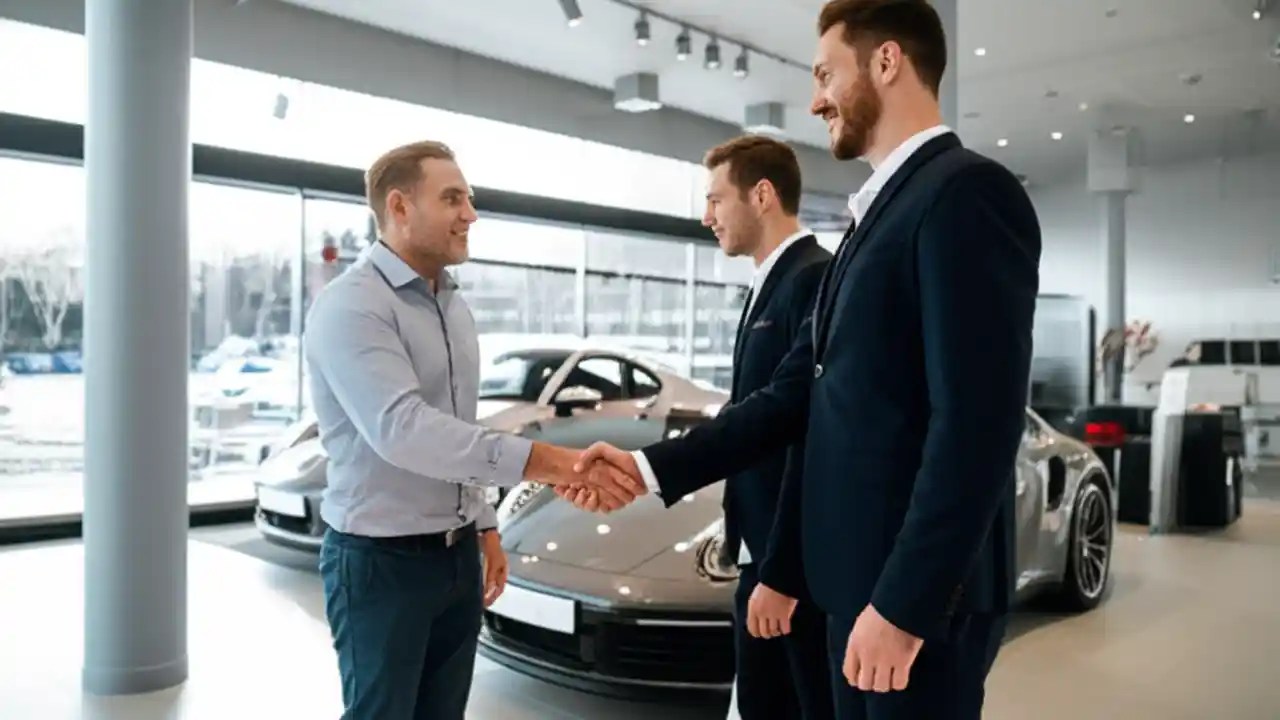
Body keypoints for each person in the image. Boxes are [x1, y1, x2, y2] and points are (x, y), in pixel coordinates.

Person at [564, 1, 1042, 718]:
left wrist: (906, 606)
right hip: (852, 589)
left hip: (909, 605)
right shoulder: (870, 222)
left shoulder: (966, 195)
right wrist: (646, 468)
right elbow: (799, 397)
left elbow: (976, 426)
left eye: (826, 74)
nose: (816, 98)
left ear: (887, 62)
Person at [304, 139, 642, 720]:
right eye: (453, 198)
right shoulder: (352, 306)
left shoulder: (450, 304)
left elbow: (458, 426)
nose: (471, 215)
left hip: (455, 557)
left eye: (471, 198)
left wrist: (483, 524)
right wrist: (556, 463)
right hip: (379, 563)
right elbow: (404, 430)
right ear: (400, 207)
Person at [697, 135, 834, 720]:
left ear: (762, 195)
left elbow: (807, 436)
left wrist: (780, 571)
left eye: (716, 200)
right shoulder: (769, 282)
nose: (707, 217)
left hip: (791, 567)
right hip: (760, 551)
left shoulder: (814, 279)